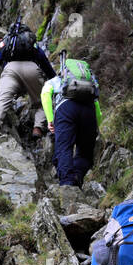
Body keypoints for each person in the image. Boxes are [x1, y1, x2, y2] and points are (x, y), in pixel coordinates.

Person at [41, 57, 101, 187]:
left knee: (64, 148)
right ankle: (77, 176)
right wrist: (97, 127)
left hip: (66, 109)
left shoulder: (59, 80)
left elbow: (45, 94)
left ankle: (67, 184)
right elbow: (97, 108)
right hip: (88, 110)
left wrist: (50, 119)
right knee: (85, 153)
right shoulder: (90, 83)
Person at [0, 28, 55, 135]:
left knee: (3, 99)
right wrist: (54, 82)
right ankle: (37, 128)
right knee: (41, 102)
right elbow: (46, 65)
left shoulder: (10, 44)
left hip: (10, 71)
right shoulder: (32, 45)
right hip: (32, 70)